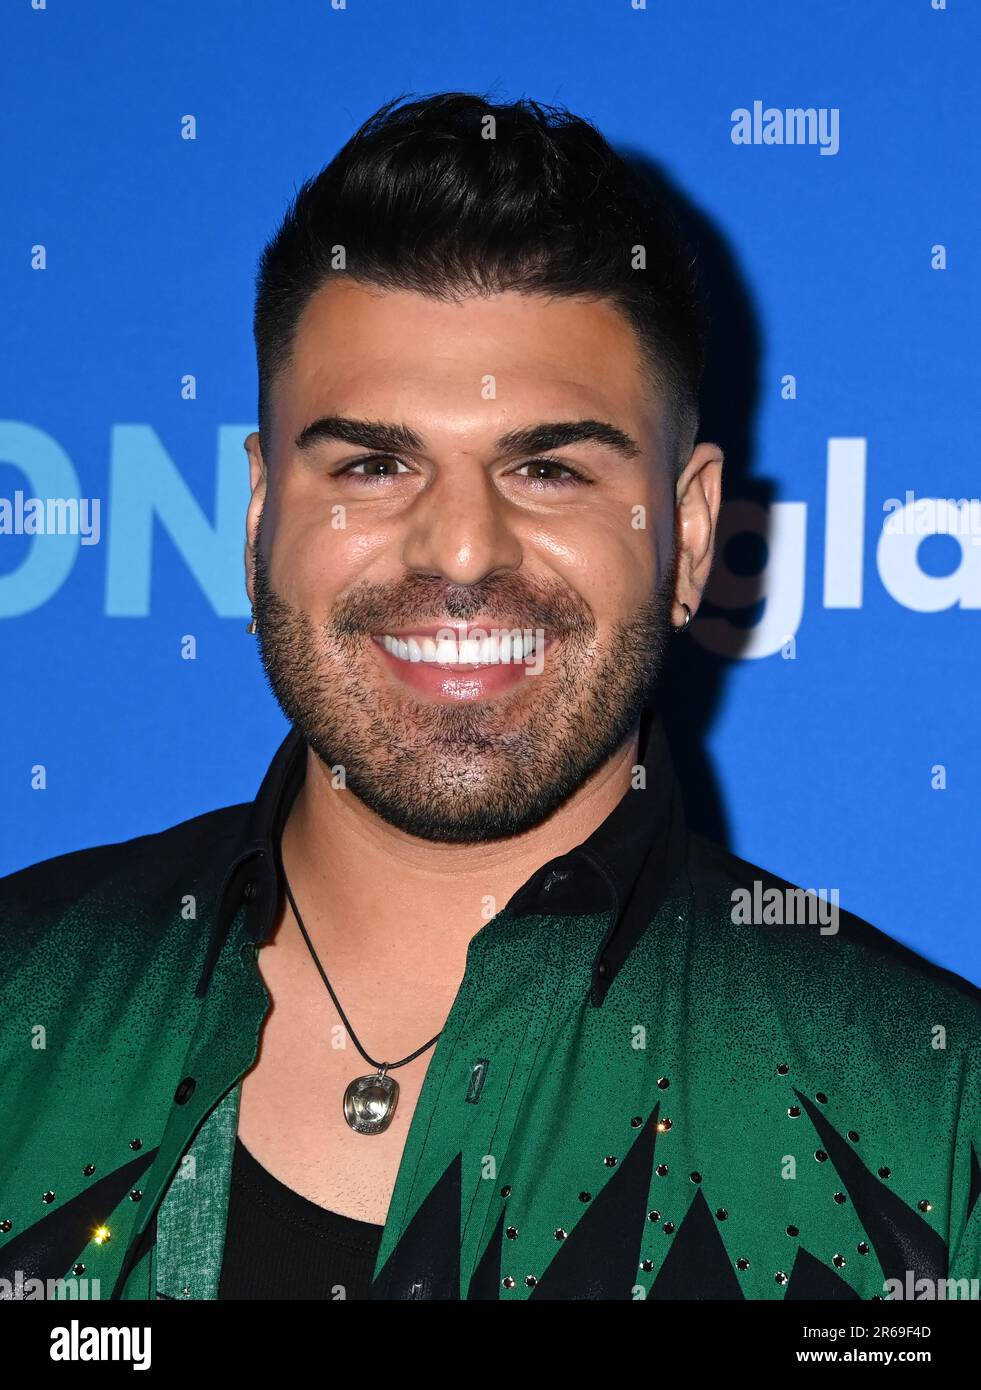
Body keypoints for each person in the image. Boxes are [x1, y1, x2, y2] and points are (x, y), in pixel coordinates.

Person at [1, 92, 978, 1304]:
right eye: (371, 463)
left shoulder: (936, 1125)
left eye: (550, 468)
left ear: (686, 525)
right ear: (262, 513)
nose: (461, 550)